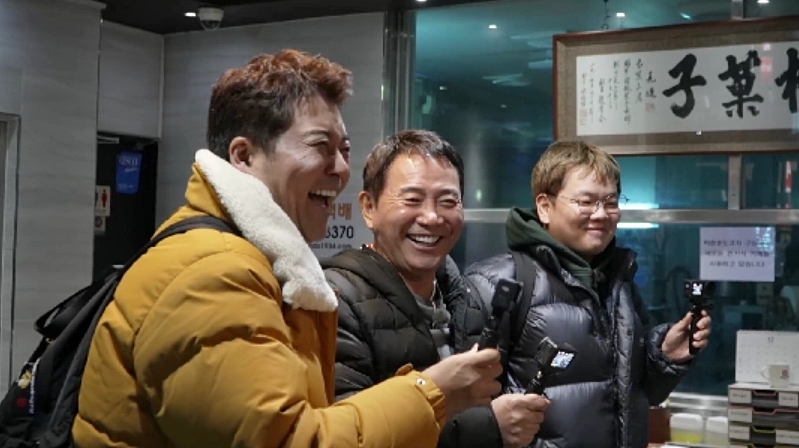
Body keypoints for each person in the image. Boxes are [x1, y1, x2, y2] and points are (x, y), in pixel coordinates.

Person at [72, 50, 502, 448]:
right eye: (320, 146)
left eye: (344, 150)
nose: (341, 169)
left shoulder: (249, 260)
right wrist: (432, 393)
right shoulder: (213, 273)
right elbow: (286, 440)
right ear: (244, 156)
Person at [465, 140, 712, 448]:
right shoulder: (498, 283)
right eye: (586, 202)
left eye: (611, 202)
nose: (601, 214)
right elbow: (468, 412)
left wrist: (665, 357)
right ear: (544, 207)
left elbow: (637, 394)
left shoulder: (619, 283)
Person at [322, 130, 549, 448]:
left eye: (448, 201)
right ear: (369, 207)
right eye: (412, 200)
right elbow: (344, 435)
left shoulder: (466, 296)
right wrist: (487, 427)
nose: (431, 217)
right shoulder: (335, 300)